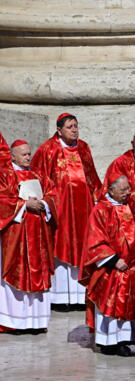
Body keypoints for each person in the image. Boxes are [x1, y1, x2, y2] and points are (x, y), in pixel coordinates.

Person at [30, 113, 101, 307]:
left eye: (76, 126)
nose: (74, 130)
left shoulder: (84, 147)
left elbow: (92, 176)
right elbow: (38, 177)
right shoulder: (47, 149)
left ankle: (80, 297)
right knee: (61, 246)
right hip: (61, 210)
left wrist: (99, 199)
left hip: (84, 208)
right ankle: (60, 298)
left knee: (82, 247)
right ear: (59, 130)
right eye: (70, 127)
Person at [80, 176, 135, 356]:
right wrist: (114, 260)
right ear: (111, 190)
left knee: (127, 303)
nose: (127, 193)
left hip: (131, 266)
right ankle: (108, 342)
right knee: (110, 303)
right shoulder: (101, 210)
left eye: (128, 189)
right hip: (110, 268)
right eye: (123, 190)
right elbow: (94, 240)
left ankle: (123, 341)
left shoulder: (130, 205)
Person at [0, 140, 55, 332]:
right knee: (17, 273)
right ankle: (16, 322)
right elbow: (2, 200)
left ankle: (36, 322)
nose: (28, 157)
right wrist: (24, 205)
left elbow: (53, 193)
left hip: (39, 235)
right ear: (12, 156)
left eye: (29, 154)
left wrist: (44, 203)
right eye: (23, 155)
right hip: (16, 236)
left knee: (39, 274)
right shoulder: (5, 175)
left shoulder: (38, 174)